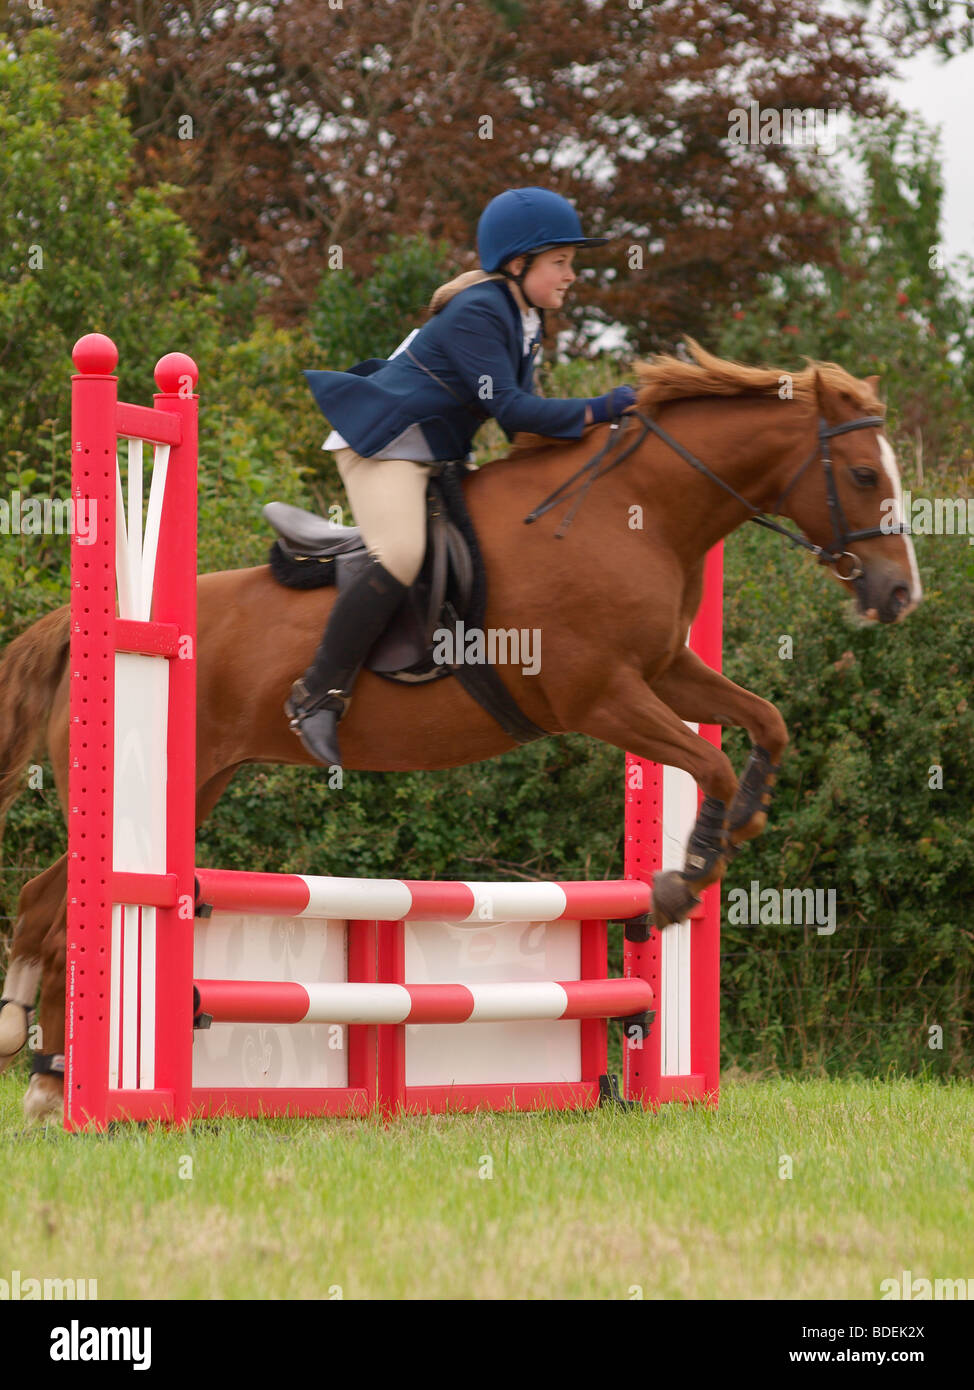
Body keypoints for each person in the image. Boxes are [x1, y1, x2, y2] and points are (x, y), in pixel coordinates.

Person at [294, 186, 637, 766]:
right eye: (561, 262)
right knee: (402, 552)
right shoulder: (481, 311)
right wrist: (605, 406)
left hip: (438, 453)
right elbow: (513, 411)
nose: (571, 275)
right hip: (384, 447)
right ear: (518, 263)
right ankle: (317, 695)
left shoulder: (525, 316)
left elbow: (520, 432)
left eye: (571, 263)